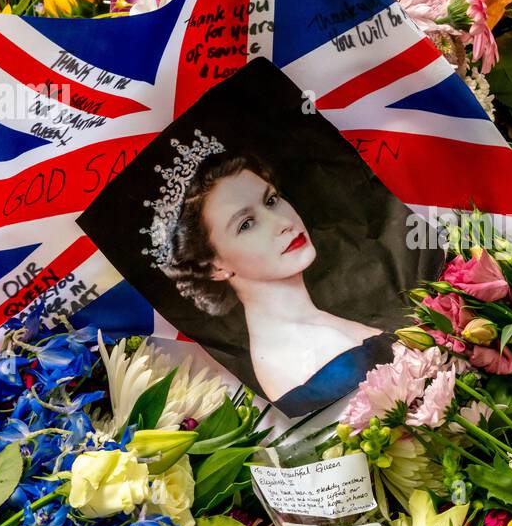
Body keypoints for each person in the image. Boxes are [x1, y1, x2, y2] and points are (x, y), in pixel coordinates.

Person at [147, 133, 392, 417]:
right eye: (247, 224)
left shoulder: (312, 329)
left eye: (272, 200)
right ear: (214, 266)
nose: (282, 223)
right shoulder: (302, 359)